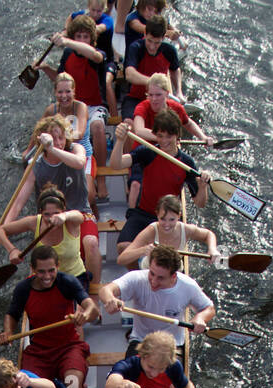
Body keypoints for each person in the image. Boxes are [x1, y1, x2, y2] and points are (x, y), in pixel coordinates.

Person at [0, 242, 99, 388]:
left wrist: (84, 315)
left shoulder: (67, 282)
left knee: (73, 386)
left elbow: (92, 308)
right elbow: (12, 314)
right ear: (33, 270)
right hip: (39, 351)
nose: (47, 276)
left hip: (68, 347)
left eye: (51, 270)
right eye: (41, 271)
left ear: (58, 266)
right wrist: (8, 332)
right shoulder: (23, 289)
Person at [15, 115, 102, 285]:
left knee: (91, 243)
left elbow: (79, 163)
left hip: (80, 213)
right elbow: (19, 202)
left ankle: (93, 294)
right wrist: (2, 227)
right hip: (50, 218)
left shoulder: (76, 149)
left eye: (61, 137)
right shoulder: (36, 165)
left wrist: (52, 148)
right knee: (42, 259)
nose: (59, 141)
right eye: (53, 139)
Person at [109, 110, 210, 248]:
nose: (163, 141)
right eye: (160, 136)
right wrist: (120, 141)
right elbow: (116, 164)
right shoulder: (148, 152)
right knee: (123, 247)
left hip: (167, 219)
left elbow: (200, 203)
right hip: (143, 214)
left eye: (169, 136)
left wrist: (203, 187)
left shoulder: (187, 163)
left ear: (177, 135)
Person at [38, 16, 112, 204]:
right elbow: (60, 80)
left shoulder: (98, 54)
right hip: (72, 104)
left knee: (96, 125)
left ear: (92, 39)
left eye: (85, 37)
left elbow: (93, 55)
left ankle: (101, 179)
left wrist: (68, 41)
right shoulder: (68, 55)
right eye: (77, 36)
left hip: (95, 106)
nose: (81, 41)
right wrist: (45, 68)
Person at [98, 245, 215, 352]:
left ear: (173, 276)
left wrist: (200, 318)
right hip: (141, 341)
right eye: (152, 273)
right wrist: (110, 299)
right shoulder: (137, 278)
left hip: (171, 344)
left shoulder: (188, 286)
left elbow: (209, 308)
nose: (153, 282)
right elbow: (106, 290)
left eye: (161, 278)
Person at [0, 185, 89, 287]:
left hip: (74, 279)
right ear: (40, 212)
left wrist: (64, 216)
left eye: (56, 213)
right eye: (47, 214)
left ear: (63, 210)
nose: (51, 218)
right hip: (44, 281)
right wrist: (12, 250)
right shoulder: (34, 222)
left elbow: (79, 216)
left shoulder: (71, 222)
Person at [117, 192, 219, 267]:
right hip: (151, 274)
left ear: (179, 216)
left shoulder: (186, 229)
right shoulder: (151, 230)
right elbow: (121, 259)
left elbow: (208, 234)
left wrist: (212, 249)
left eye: (171, 220)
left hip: (173, 273)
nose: (166, 224)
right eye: (162, 219)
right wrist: (143, 250)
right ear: (157, 215)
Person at [122, 16, 182, 120]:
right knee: (129, 124)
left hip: (160, 100)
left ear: (163, 38)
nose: (152, 47)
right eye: (149, 41)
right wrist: (153, 82)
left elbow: (175, 69)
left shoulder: (169, 51)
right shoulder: (136, 48)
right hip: (136, 98)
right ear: (145, 34)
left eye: (157, 42)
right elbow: (129, 74)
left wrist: (179, 92)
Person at [131, 72, 210, 146]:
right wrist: (165, 138)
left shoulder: (176, 108)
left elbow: (188, 124)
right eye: (150, 95)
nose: (154, 99)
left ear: (167, 94)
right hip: (145, 149)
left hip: (168, 149)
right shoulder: (142, 107)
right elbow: (139, 130)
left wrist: (203, 137)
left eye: (158, 95)